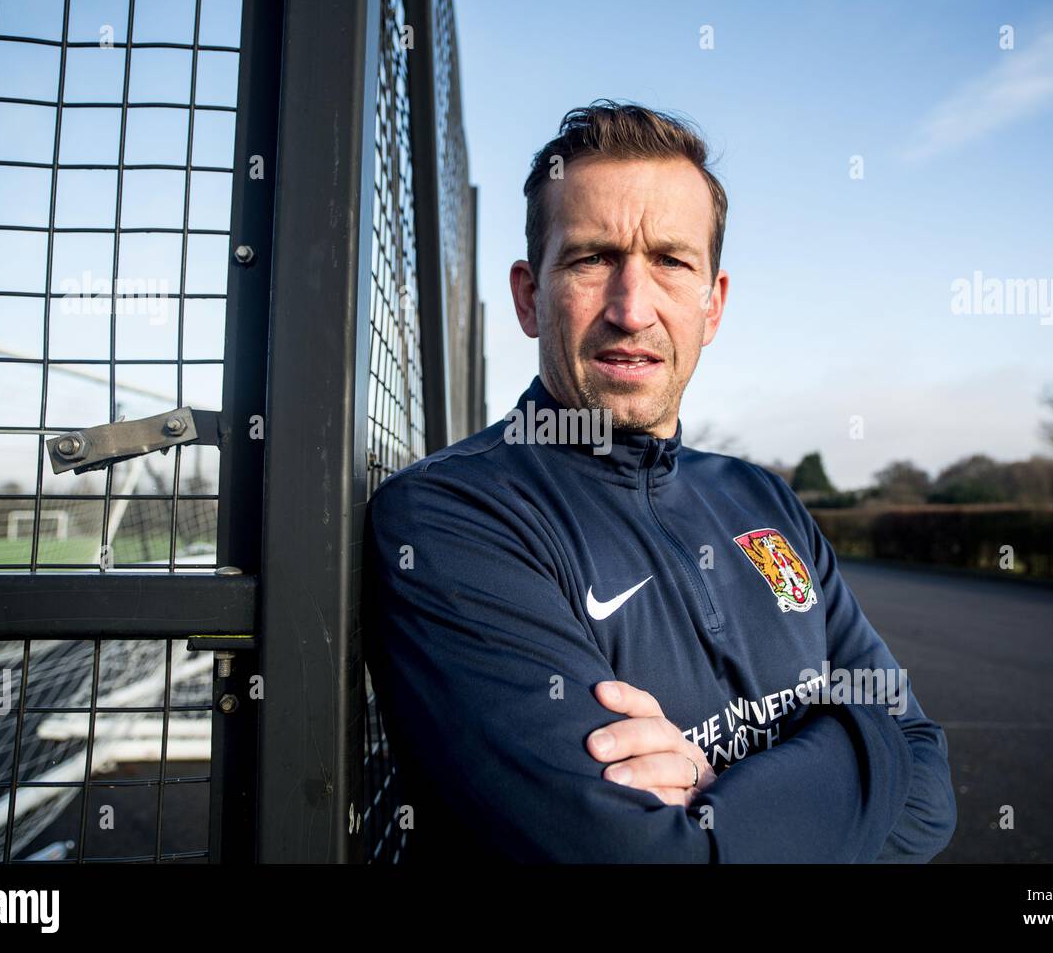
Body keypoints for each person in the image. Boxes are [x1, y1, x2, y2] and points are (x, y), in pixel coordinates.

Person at [361, 99, 957, 863]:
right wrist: (860, 754)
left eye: (672, 262)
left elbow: (931, 790)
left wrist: (716, 798)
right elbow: (640, 858)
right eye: (592, 258)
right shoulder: (451, 517)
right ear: (528, 296)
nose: (632, 308)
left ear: (713, 305)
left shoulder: (762, 498)